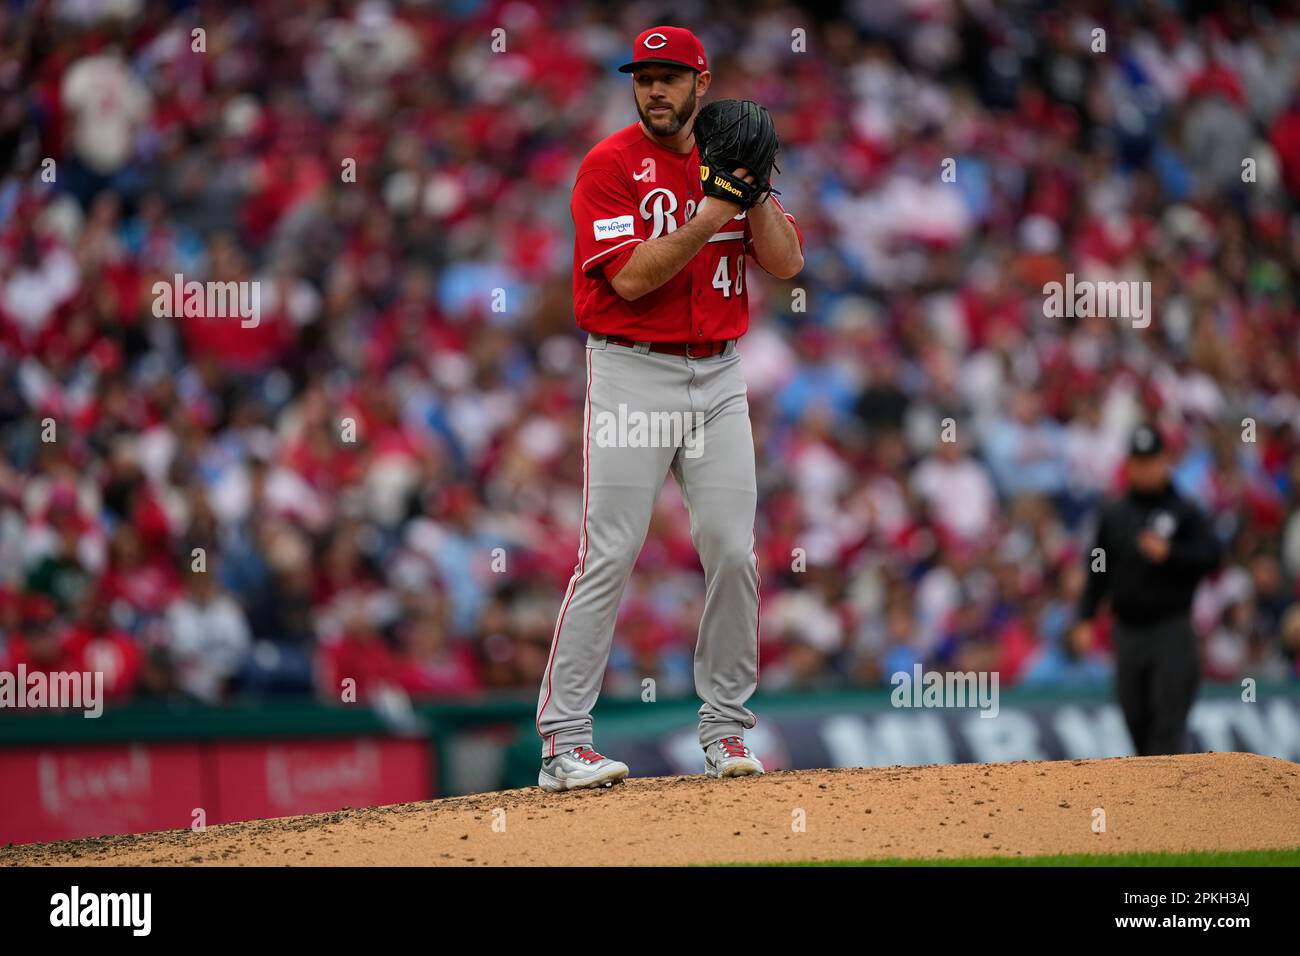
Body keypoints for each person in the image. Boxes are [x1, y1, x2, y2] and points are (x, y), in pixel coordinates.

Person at [534, 25, 804, 791]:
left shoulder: (728, 154)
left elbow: (786, 263)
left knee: (730, 549)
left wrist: (752, 196)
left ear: (700, 80)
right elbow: (630, 280)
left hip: (718, 376)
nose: (655, 89)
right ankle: (563, 743)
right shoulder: (611, 165)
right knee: (611, 550)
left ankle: (724, 731)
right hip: (631, 370)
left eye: (669, 76)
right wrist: (716, 208)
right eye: (643, 76)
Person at [1072, 424, 1222, 756]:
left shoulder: (1185, 511)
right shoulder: (1114, 515)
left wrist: (1172, 554)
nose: (1143, 469)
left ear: (1164, 461)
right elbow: (1097, 567)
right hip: (1127, 633)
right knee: (1135, 718)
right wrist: (1085, 616)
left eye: (1150, 460)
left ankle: (1168, 804)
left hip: (1171, 630)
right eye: (1137, 462)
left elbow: (1213, 558)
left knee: (1166, 724)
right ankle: (1153, 802)